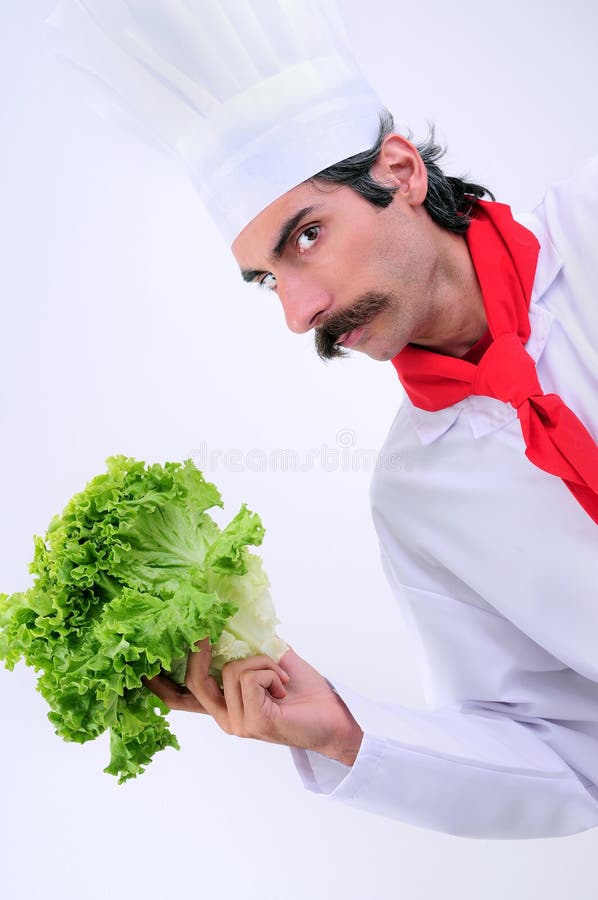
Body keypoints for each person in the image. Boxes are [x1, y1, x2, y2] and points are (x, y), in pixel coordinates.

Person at [51, 0, 598, 839]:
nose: (298, 313)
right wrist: (345, 730)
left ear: (402, 171)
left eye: (305, 235)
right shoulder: (418, 502)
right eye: (268, 279)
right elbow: (569, 759)